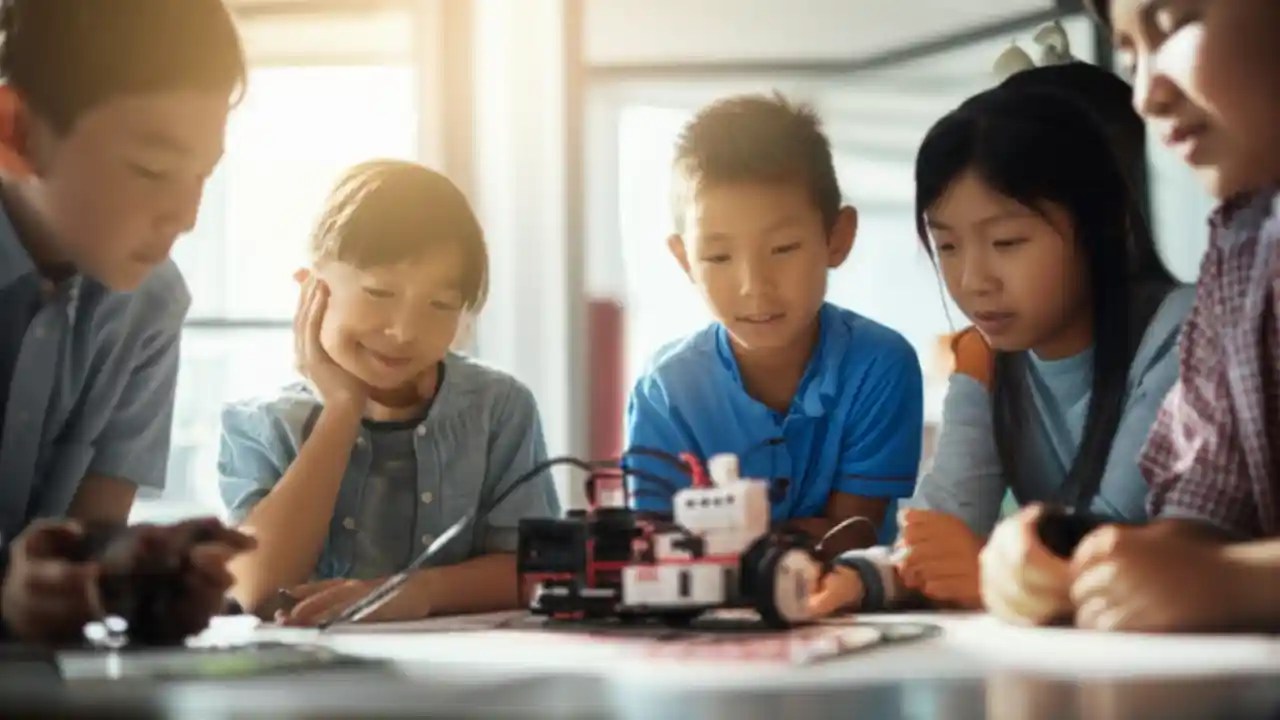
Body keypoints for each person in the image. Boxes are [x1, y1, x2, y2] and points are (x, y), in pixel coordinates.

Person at [809, 66, 1191, 618]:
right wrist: (856, 579)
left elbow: (1122, 534)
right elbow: (945, 524)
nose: (973, 280)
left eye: (1007, 242)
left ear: (1100, 227)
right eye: (948, 246)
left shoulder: (1181, 333)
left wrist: (985, 568)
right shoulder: (988, 356)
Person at [0, 0, 253, 645]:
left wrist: (133, 574)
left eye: (204, 176)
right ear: (18, 134)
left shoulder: (150, 303)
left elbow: (85, 546)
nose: (186, 215)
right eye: (151, 170)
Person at [219, 160, 560, 625]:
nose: (403, 332)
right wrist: (342, 409)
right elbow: (256, 586)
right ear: (311, 289)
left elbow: (535, 570)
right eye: (379, 293)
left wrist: (419, 591)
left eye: (440, 305)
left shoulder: (498, 408)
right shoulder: (260, 424)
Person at [623, 94, 923, 558]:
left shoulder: (880, 365)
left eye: (783, 248)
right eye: (719, 256)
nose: (753, 286)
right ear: (684, 259)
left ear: (837, 238)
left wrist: (724, 538)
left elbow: (852, 537)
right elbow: (655, 549)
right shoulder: (665, 390)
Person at [1061, 0, 1280, 633]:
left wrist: (1232, 583)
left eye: (1176, 23)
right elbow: (1209, 503)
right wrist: (1091, 572)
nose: (1146, 97)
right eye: (1130, 56)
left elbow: (1214, 571)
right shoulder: (1241, 246)